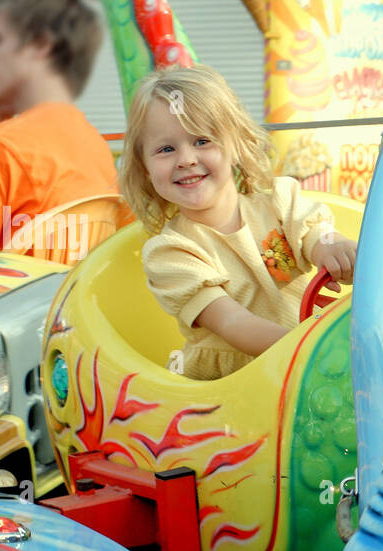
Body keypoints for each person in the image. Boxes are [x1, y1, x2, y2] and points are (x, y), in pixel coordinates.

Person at [120, 65, 357, 381]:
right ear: (144, 167)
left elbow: (318, 235)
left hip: (312, 366)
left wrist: (337, 250)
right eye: (166, 149)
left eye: (202, 141)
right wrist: (313, 350)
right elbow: (233, 323)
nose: (186, 159)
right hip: (236, 388)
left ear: (235, 145)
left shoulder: (280, 203)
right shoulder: (170, 253)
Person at [0, 0, 117, 254]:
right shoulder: (97, 146)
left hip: (12, 281)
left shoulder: (0, 146)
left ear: (40, 45)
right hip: (75, 281)